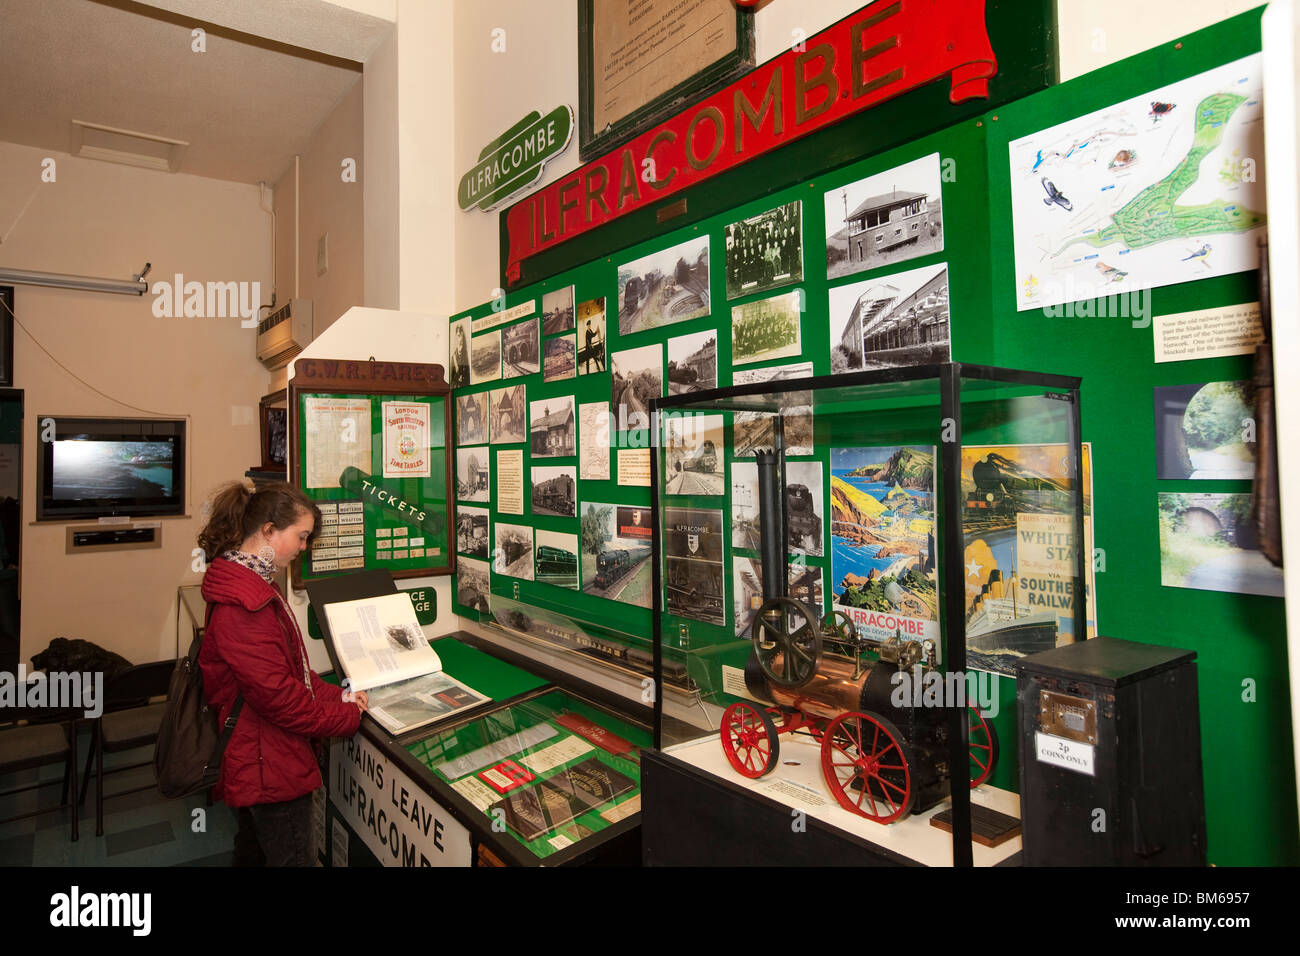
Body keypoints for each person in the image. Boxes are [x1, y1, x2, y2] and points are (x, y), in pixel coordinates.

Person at [196, 481, 367, 866]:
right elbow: (282, 700)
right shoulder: (244, 605)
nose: (304, 547)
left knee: (253, 853)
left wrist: (336, 695)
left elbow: (292, 673)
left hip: (258, 754)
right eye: (301, 536)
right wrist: (348, 714)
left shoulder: (252, 584)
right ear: (269, 531)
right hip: (268, 766)